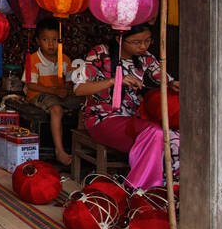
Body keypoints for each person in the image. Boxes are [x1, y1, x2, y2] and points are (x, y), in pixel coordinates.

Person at [71, 23, 180, 189]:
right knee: (155, 133)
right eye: (136, 42)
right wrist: (114, 81)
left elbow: (164, 78)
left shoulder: (146, 58)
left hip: (134, 120)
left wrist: (172, 84)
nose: (143, 46)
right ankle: (140, 188)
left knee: (174, 137)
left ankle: (171, 189)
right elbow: (78, 88)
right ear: (119, 39)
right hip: (103, 119)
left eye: (147, 40)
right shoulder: (100, 53)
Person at [21, 16, 84, 165]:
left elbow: (70, 81)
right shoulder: (33, 59)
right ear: (37, 41)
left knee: (85, 103)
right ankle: (59, 150)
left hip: (59, 93)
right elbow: (31, 85)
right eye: (45, 40)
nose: (50, 44)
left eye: (55, 40)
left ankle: (79, 146)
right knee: (56, 109)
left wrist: (66, 89)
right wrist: (54, 91)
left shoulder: (65, 59)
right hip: (38, 94)